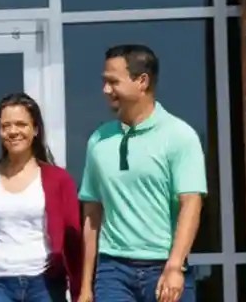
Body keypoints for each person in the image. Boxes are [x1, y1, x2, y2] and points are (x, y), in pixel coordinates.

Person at [77, 44, 207, 302]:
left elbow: (191, 203)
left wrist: (175, 267)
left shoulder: (179, 136)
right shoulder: (98, 141)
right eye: (104, 82)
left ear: (142, 81)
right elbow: (92, 215)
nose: (106, 90)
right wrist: (85, 287)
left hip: (163, 267)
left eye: (113, 82)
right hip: (112, 270)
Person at [0, 92, 84, 302]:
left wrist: (79, 290)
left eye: (21, 124)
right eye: (5, 125)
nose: (13, 131)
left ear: (35, 129)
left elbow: (73, 240)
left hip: (45, 283)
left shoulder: (59, 180)